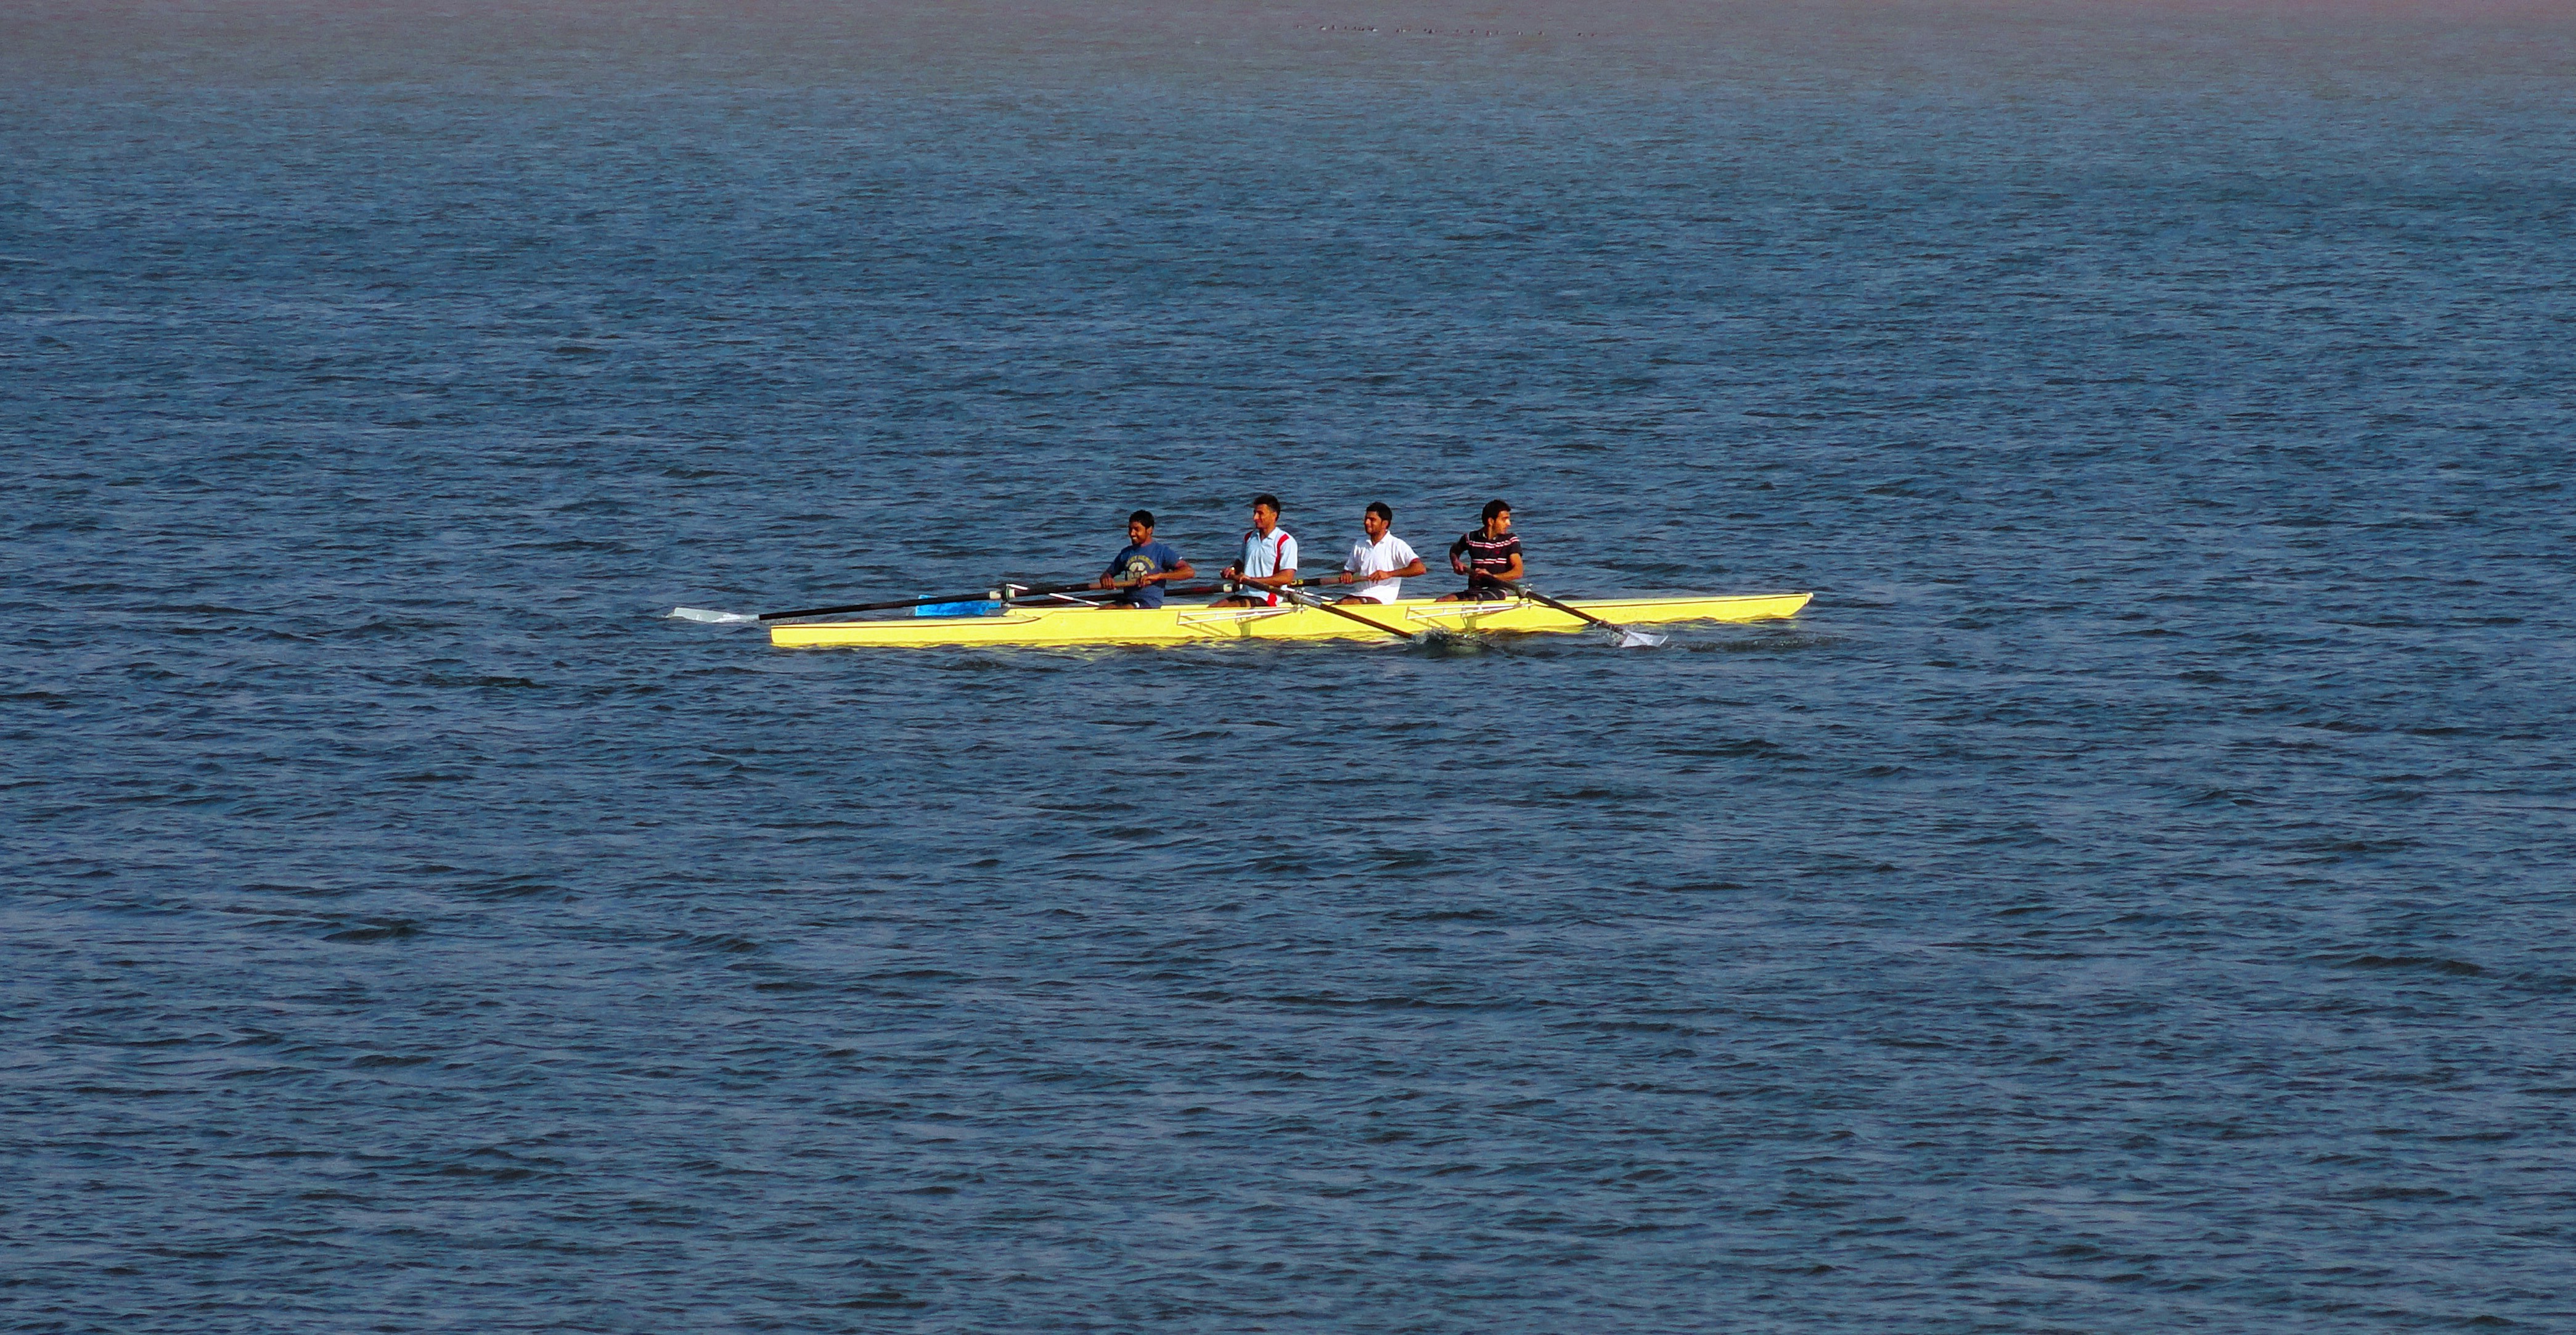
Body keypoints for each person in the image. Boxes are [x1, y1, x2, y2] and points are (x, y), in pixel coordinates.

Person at [1093, 510, 1194, 609]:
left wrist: (1159, 576)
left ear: (1149, 530)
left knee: (1127, 609)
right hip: (1128, 600)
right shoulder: (1126, 553)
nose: (1132, 534)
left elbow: (1189, 572)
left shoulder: (1162, 552)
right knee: (1105, 609)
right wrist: (1107, 579)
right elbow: (1107, 574)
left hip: (1149, 603)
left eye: (1137, 529)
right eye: (1130, 529)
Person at [1330, 501, 1425, 604]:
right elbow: (1349, 570)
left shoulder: (1396, 545)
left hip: (1382, 599)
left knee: (1346, 604)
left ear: (1385, 524)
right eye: (1366, 519)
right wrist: (1347, 575)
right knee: (1337, 605)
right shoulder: (1359, 543)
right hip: (1360, 595)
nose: (1367, 523)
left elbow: (1420, 569)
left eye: (1372, 520)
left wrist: (1389, 574)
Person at [1215, 494, 1298, 607]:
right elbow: (1240, 564)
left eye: (1260, 514)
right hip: (1245, 593)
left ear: (1274, 515)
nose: (1255, 518)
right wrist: (1232, 570)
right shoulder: (1249, 537)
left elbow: (1287, 577)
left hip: (1268, 598)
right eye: (1255, 513)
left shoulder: (1285, 541)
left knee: (1225, 609)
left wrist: (1253, 580)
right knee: (1213, 609)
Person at [1440, 498, 1524, 601]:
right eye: (1504, 519)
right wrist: (1456, 561)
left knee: (1471, 600)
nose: (1509, 523)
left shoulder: (1510, 540)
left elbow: (1518, 572)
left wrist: (1492, 576)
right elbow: (1454, 550)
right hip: (1474, 590)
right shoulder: (1471, 538)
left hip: (1498, 591)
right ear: (1491, 521)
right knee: (1443, 601)